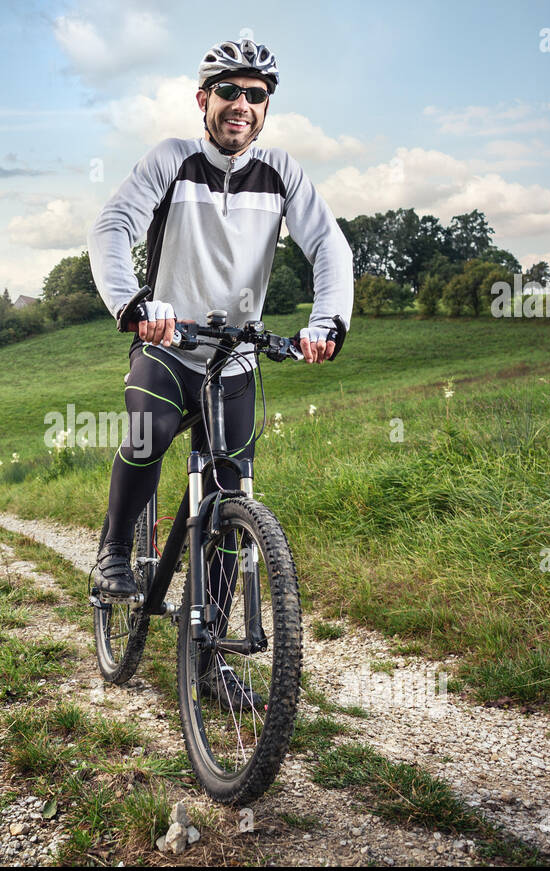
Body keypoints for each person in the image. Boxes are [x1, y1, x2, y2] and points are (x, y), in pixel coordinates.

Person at [87, 38, 355, 598]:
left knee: (232, 491)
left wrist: (326, 321)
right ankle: (113, 551)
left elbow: (329, 246)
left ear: (265, 108)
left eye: (255, 96)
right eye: (229, 91)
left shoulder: (281, 172)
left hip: (234, 359)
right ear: (203, 98)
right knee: (149, 434)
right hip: (168, 345)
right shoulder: (172, 159)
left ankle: (210, 655)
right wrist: (136, 306)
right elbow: (112, 227)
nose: (242, 105)